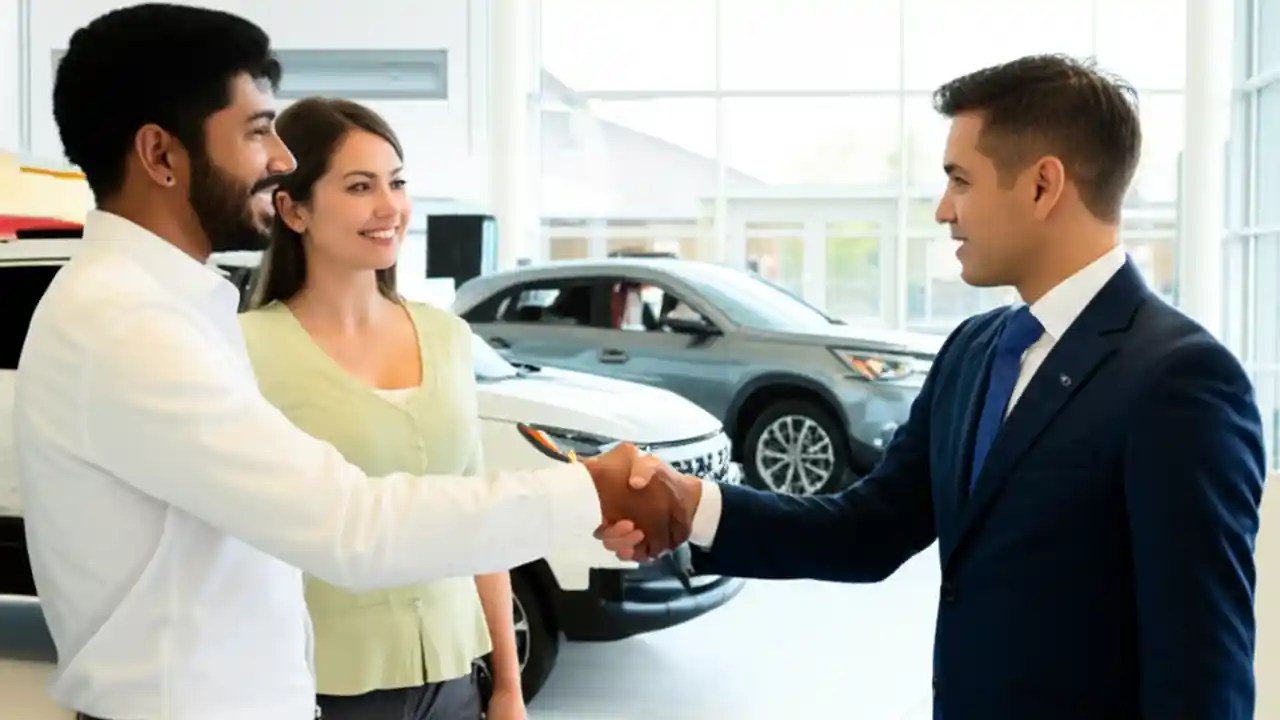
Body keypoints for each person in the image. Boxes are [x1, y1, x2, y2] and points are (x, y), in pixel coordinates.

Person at [13, 5, 687, 719]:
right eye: (255, 131)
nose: (279, 159)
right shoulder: (128, 326)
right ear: (160, 156)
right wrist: (588, 492)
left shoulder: (168, 308)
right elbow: (352, 525)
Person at [602, 55, 1268, 719]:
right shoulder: (972, 352)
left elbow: (1202, 669)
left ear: (1043, 186)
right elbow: (869, 529)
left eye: (960, 180)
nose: (944, 209)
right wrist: (691, 505)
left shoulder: (1182, 381)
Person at [237, 97, 522, 720]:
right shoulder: (247, 349)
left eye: (396, 182)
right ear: (293, 208)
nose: (389, 206)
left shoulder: (447, 337)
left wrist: (507, 687)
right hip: (318, 687)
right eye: (360, 186)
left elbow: (481, 519)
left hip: (455, 678)